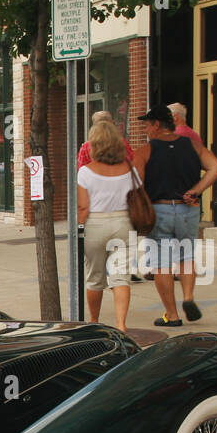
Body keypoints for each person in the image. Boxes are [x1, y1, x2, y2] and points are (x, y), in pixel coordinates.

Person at [133, 103, 217, 327]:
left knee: (161, 264)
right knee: (186, 255)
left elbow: (137, 183)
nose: (146, 129)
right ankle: (189, 297)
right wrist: (196, 190)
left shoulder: (146, 150)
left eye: (147, 124)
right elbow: (216, 168)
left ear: (156, 124)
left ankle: (172, 315)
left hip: (159, 208)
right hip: (187, 208)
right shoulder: (192, 145)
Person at [77, 121, 135, 333]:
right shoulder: (129, 169)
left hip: (95, 223)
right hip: (123, 222)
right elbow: (135, 198)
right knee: (121, 276)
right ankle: (121, 324)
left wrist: (79, 227)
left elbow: (83, 206)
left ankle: (94, 320)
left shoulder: (85, 171)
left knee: (94, 276)